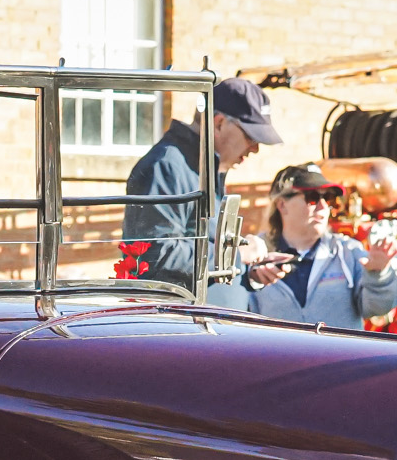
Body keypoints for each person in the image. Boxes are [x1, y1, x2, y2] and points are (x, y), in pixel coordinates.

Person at [120, 78, 284, 299]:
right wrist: (235, 255)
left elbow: (200, 258)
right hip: (179, 328)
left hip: (200, 326)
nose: (255, 149)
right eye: (250, 137)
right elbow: (153, 257)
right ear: (218, 124)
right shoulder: (166, 166)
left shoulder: (203, 168)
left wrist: (248, 271)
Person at [245, 164, 397, 328]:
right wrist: (250, 278)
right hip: (275, 355)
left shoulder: (348, 251)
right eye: (312, 197)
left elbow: (379, 308)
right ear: (282, 205)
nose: (322, 207)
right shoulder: (253, 255)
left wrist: (379, 274)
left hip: (342, 355)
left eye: (328, 198)